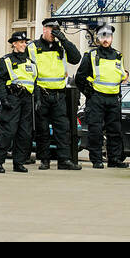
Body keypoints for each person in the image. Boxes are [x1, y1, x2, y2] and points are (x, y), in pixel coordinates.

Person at [30, 19, 82, 170]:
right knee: (42, 129)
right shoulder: (33, 47)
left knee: (62, 128)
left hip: (59, 94)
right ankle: (44, 160)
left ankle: (64, 160)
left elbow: (76, 58)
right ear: (44, 29)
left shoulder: (62, 46)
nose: (53, 32)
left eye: (56, 29)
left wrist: (64, 39)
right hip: (42, 93)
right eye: (51, 29)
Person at [76, 24, 128, 169]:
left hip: (113, 98)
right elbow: (80, 78)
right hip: (97, 98)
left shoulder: (118, 55)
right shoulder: (91, 55)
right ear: (98, 38)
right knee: (96, 130)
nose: (106, 39)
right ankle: (97, 159)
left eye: (108, 36)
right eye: (103, 36)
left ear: (112, 38)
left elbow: (121, 74)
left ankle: (114, 159)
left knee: (115, 131)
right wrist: (90, 94)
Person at [0, 30, 36, 173]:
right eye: (21, 42)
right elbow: (0, 82)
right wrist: (3, 99)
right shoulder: (6, 60)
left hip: (27, 100)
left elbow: (35, 82)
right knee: (8, 132)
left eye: (25, 42)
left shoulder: (31, 62)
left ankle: (19, 162)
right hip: (12, 98)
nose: (24, 45)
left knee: (24, 133)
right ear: (14, 44)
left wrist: (38, 99)